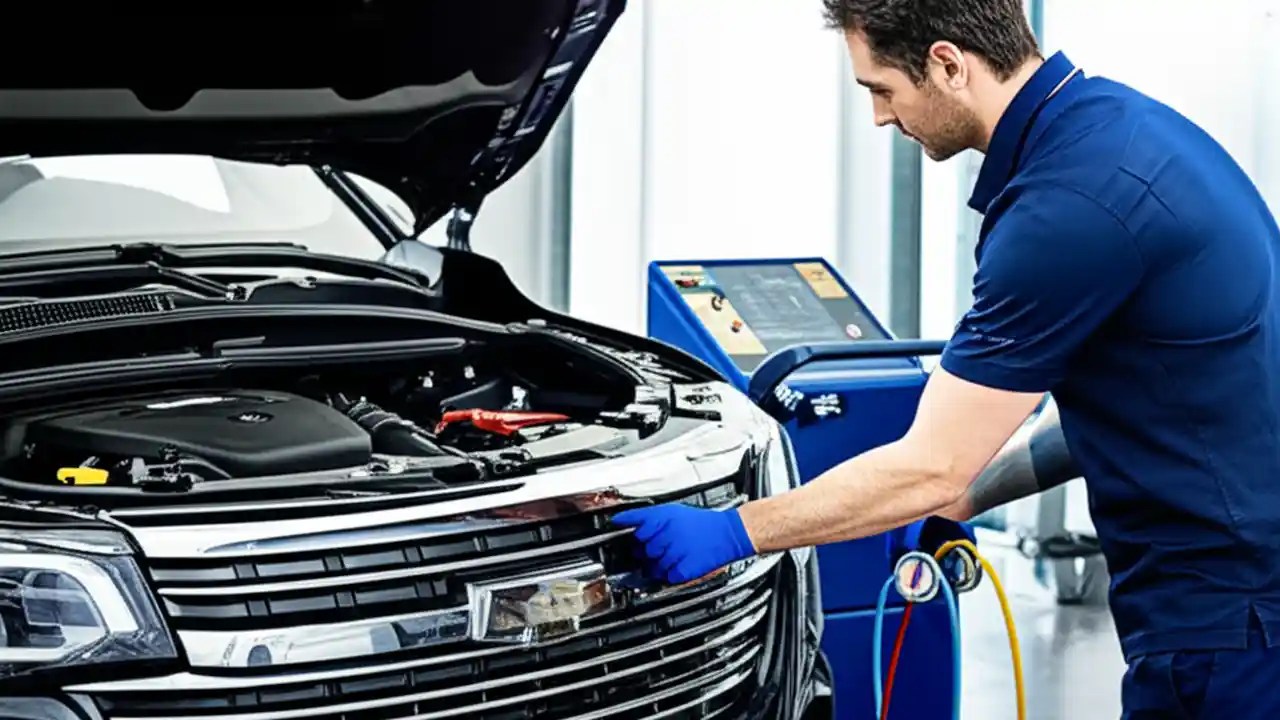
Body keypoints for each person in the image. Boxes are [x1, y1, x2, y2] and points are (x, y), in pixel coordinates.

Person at [612, 1, 1280, 717]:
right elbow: (1145, 397)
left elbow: (930, 465)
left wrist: (733, 531)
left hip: (1228, 626)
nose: (878, 117)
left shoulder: (1065, 210)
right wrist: (972, 491)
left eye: (880, 89)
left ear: (948, 65)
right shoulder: (1124, 131)